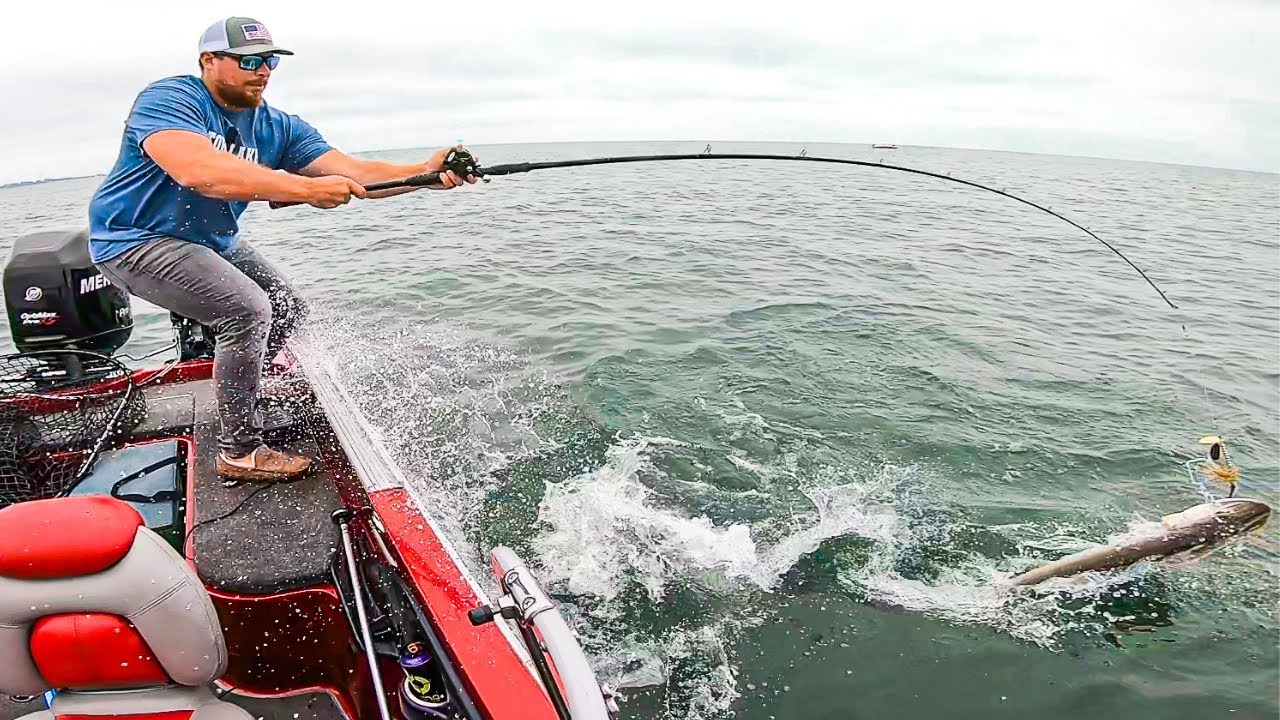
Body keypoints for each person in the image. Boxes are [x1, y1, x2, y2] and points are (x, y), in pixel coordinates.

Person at [88, 16, 477, 483]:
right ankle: (239, 449)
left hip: (209, 241)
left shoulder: (279, 127)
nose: (263, 71)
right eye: (249, 61)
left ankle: (241, 391)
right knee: (247, 310)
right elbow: (197, 170)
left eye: (270, 61)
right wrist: (302, 189)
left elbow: (354, 173)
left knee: (286, 307)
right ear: (209, 62)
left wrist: (425, 174)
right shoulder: (173, 99)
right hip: (134, 238)